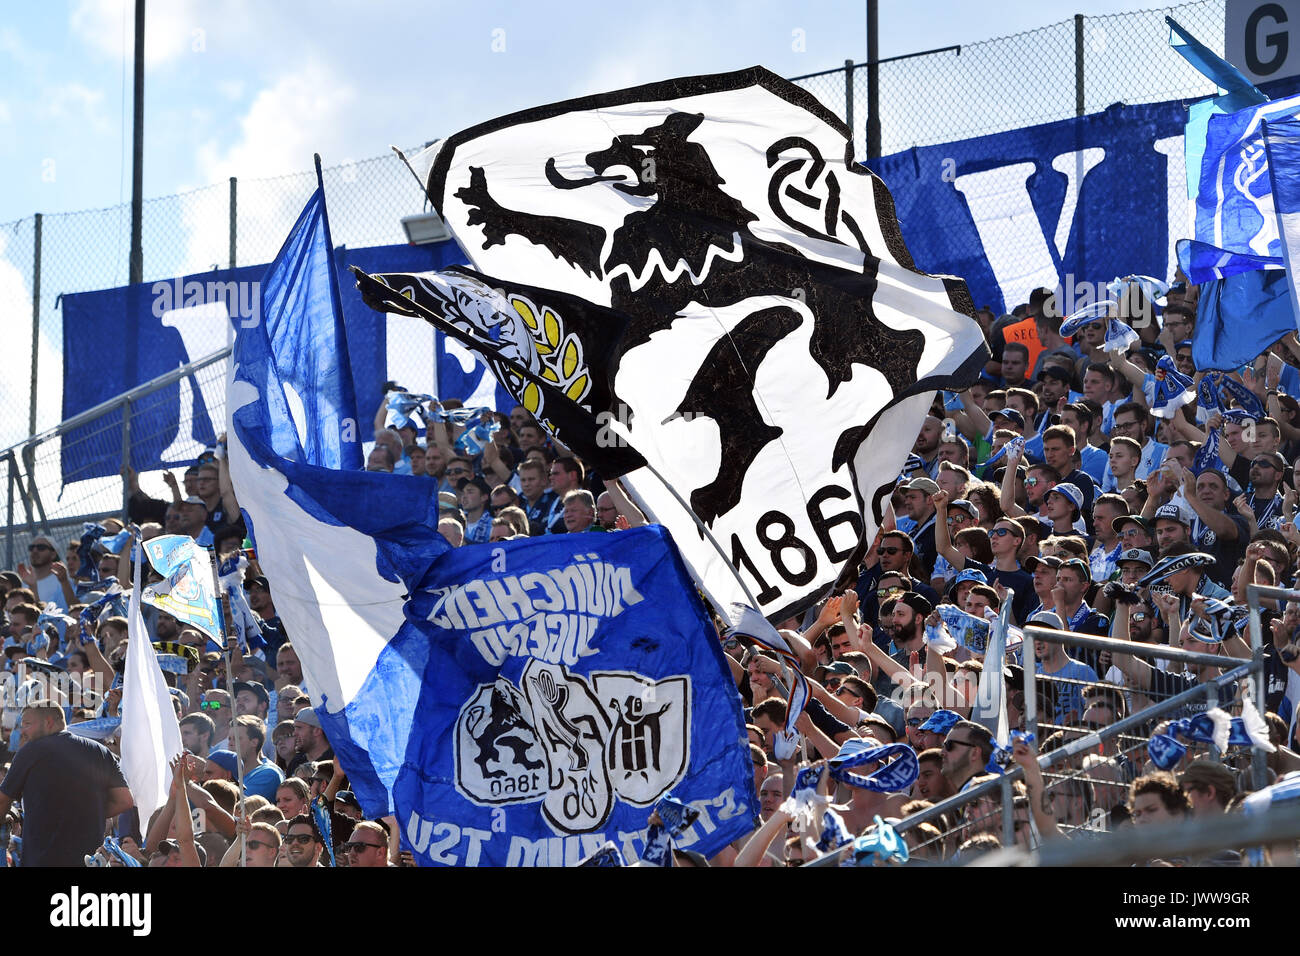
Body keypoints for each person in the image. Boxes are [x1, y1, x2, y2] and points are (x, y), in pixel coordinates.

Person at [0, 701, 134, 866]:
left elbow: (3, 800)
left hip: (42, 860)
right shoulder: (101, 751)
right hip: (88, 861)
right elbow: (125, 800)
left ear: (48, 722)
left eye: (27, 724)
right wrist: (89, 814)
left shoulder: (30, 751)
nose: (22, 731)